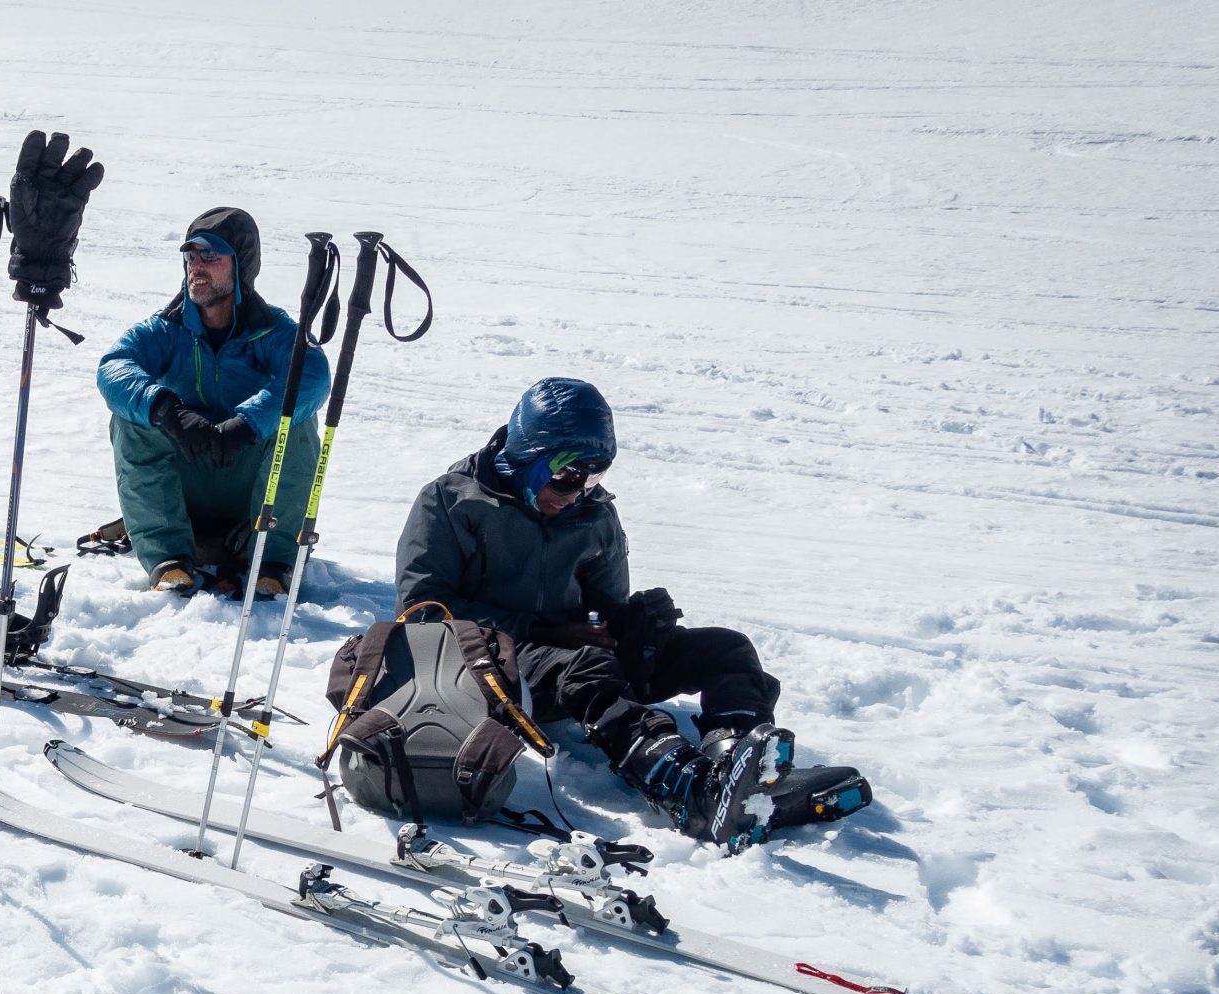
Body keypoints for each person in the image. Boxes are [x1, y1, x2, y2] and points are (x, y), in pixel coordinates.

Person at [393, 377, 867, 848]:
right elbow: (421, 610)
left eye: (594, 475)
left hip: (573, 659)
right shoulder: (451, 501)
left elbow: (603, 610)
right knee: (587, 664)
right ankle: (687, 789)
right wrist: (544, 630)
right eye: (567, 474)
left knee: (725, 647)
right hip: (487, 663)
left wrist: (632, 626)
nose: (578, 490)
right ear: (527, 455)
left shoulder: (594, 514)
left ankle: (739, 769)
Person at [95, 209, 329, 595]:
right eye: (190, 257)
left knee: (296, 423)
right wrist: (167, 411)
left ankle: (272, 562)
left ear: (241, 266)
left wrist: (249, 423)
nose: (196, 267)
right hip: (187, 480)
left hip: (250, 489)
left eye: (210, 257)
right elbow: (114, 367)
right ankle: (167, 559)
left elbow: (313, 375)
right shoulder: (166, 328)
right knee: (132, 418)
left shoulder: (274, 330)